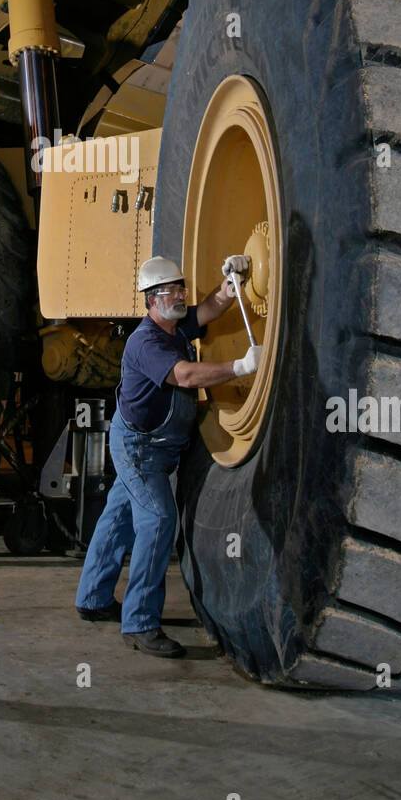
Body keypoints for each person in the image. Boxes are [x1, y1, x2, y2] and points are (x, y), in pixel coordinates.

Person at [75, 255, 261, 658]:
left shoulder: (175, 325)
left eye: (181, 289)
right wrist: (241, 366)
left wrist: (231, 283)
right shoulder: (147, 342)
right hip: (139, 449)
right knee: (158, 520)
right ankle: (141, 623)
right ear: (151, 300)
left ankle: (93, 598)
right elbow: (187, 376)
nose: (180, 296)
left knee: (118, 518)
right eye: (172, 291)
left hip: (152, 446)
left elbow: (209, 308)